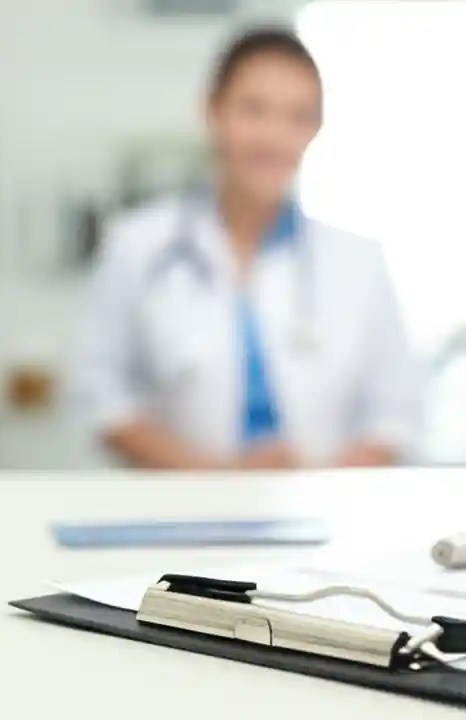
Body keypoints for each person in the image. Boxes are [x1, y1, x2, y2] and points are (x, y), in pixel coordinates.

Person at [71, 27, 422, 470]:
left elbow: (395, 414)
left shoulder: (359, 263)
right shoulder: (137, 245)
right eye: (254, 110)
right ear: (211, 111)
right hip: (178, 511)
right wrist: (215, 479)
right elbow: (102, 393)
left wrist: (320, 490)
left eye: (298, 117)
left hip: (328, 518)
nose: (274, 137)